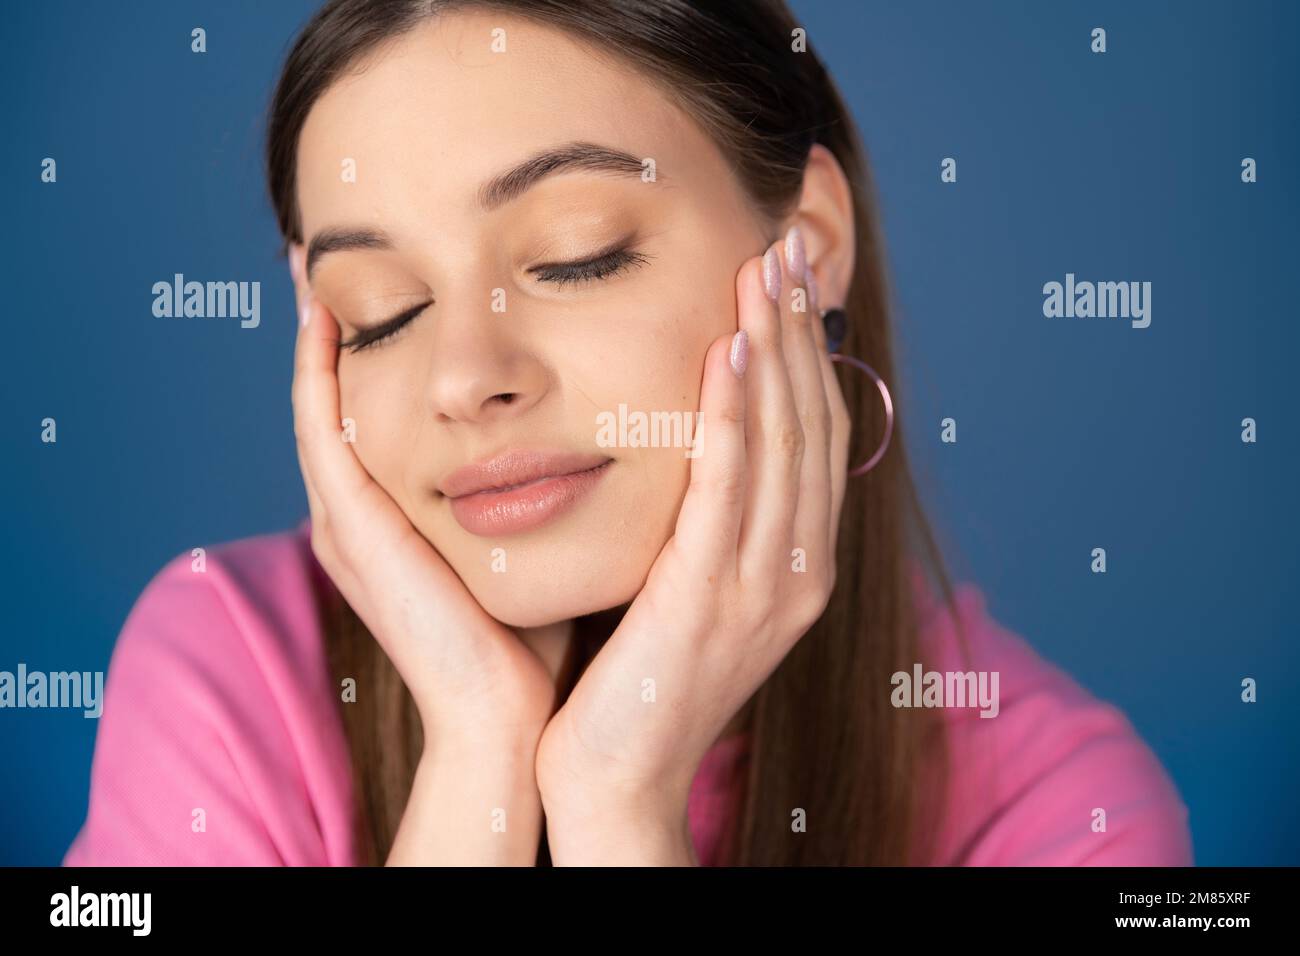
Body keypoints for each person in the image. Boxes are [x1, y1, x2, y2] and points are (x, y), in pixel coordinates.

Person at [64, 0, 1192, 867]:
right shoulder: (226, 668)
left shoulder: (1063, 809)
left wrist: (618, 799)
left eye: (576, 254)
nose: (464, 377)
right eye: (381, 312)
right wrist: (475, 762)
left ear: (805, 247)